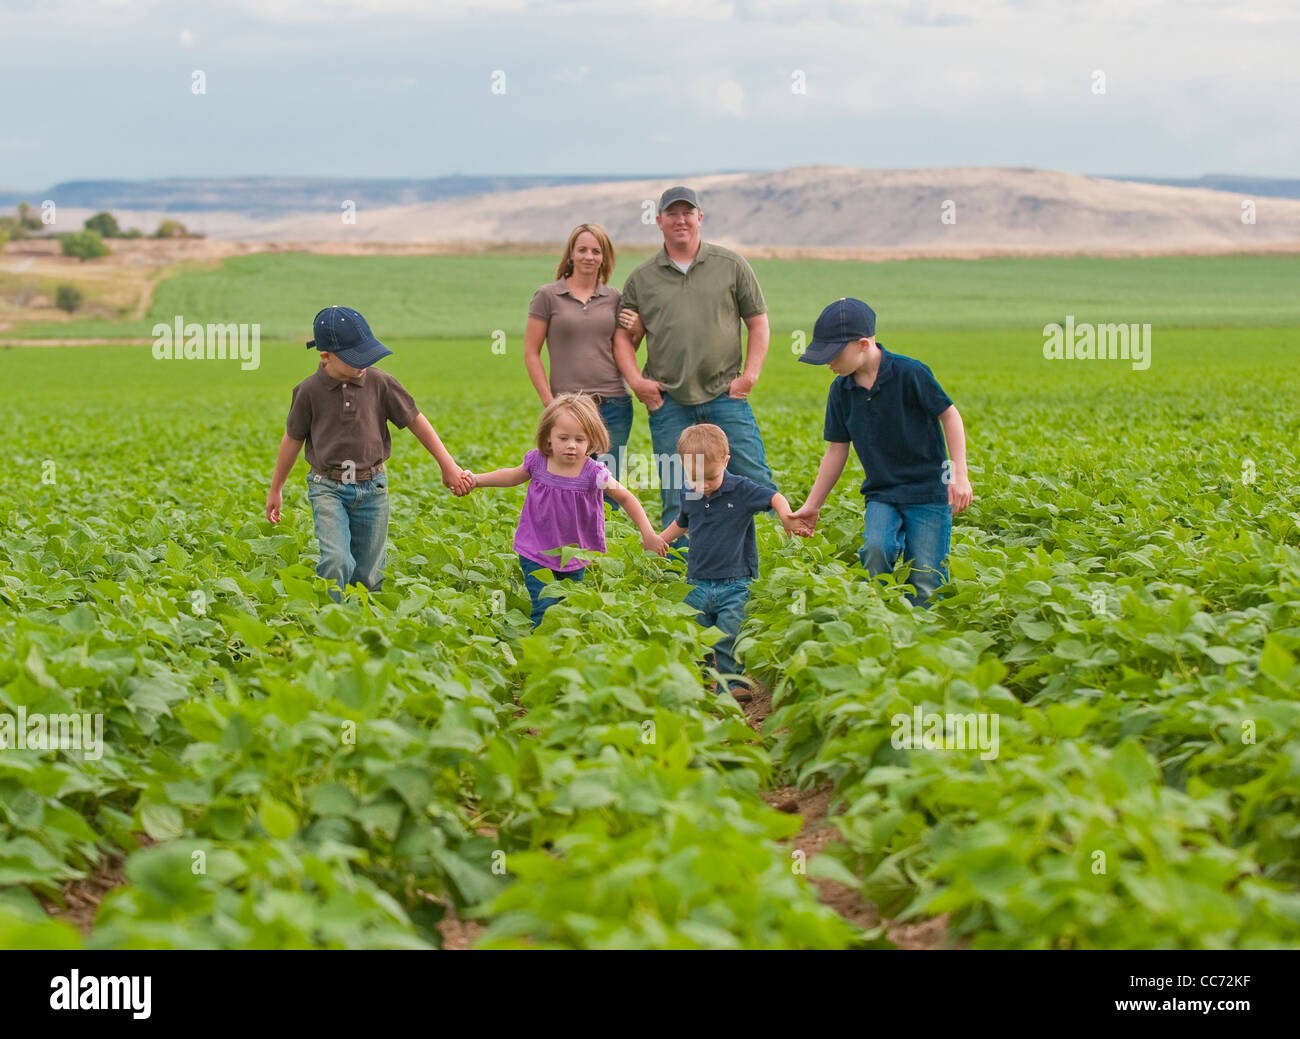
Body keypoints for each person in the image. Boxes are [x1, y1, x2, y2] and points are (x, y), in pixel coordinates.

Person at [266, 305, 473, 599]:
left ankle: (365, 627)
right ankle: (329, 623)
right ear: (325, 356)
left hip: (373, 487)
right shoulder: (309, 391)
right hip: (328, 487)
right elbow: (292, 440)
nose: (364, 363)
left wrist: (447, 465)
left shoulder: (380, 383)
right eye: (354, 357)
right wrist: (277, 488)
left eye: (366, 353)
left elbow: (416, 421)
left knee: (369, 573)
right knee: (337, 560)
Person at [612, 186, 775, 533]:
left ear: (700, 217)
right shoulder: (642, 278)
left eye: (688, 212)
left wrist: (750, 376)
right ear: (659, 221)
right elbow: (622, 338)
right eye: (672, 213)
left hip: (725, 395)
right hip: (669, 402)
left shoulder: (731, 265)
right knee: (677, 490)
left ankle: (772, 556)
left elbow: (758, 322)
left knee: (754, 478)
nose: (680, 220)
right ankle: (681, 569)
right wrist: (637, 383)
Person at [791, 298, 972, 606]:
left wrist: (959, 475)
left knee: (927, 577)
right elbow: (836, 450)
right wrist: (812, 505)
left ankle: (921, 639)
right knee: (876, 551)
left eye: (833, 354)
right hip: (882, 492)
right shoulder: (840, 391)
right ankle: (881, 619)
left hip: (928, 492)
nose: (827, 363)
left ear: (863, 344)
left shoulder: (910, 373)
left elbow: (950, 415)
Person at [464, 392, 668, 627]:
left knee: (568, 607)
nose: (571, 445)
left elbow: (625, 497)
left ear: (591, 441)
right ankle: (540, 655)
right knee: (545, 608)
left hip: (575, 554)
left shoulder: (594, 474)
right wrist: (477, 480)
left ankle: (564, 651)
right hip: (536, 550)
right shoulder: (538, 462)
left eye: (579, 440)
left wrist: (648, 533)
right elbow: (511, 475)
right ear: (548, 437)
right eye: (563, 438)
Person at [657, 424, 804, 701]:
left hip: (735, 582)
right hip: (696, 581)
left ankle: (733, 685)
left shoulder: (741, 489)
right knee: (694, 632)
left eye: (710, 478)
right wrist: (660, 540)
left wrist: (786, 515)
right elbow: (682, 522)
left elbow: (774, 497)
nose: (703, 485)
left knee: (729, 635)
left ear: (725, 461)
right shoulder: (689, 490)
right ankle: (696, 680)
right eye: (696, 478)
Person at [525, 223, 639, 486]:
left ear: (604, 258)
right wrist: (549, 402)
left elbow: (624, 350)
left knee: (606, 484)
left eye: (596, 251)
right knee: (566, 481)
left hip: (613, 405)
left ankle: (607, 527)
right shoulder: (548, 296)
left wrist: (636, 329)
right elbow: (531, 353)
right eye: (583, 250)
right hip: (568, 407)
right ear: (571, 255)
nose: (589, 256)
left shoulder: (615, 298)